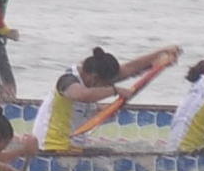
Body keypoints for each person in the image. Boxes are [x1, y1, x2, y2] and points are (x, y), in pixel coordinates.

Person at [43, 44, 180, 151]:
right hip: (51, 148)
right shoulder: (67, 81)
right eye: (107, 83)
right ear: (94, 78)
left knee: (114, 151)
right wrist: (115, 90)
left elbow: (130, 69)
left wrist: (162, 53)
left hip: (72, 146)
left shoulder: (92, 78)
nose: (109, 85)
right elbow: (82, 95)